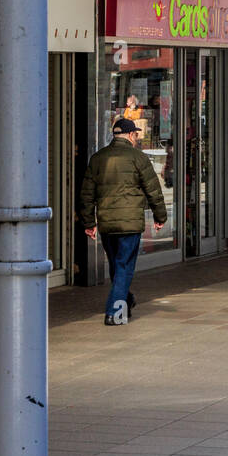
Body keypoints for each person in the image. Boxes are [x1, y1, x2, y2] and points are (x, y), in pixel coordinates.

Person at [79, 118, 167, 325]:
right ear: (130, 135)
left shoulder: (98, 158)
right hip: (130, 224)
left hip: (107, 224)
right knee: (124, 266)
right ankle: (115, 314)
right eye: (135, 134)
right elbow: (153, 190)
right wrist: (160, 216)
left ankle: (127, 299)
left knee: (117, 265)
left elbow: (86, 194)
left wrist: (89, 223)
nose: (136, 138)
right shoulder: (138, 158)